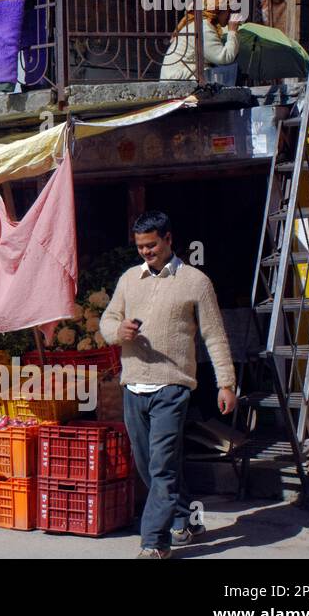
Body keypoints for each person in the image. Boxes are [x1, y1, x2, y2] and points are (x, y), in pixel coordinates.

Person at [100, 210, 237, 559]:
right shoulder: (130, 279)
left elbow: (214, 336)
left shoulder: (195, 281)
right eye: (141, 247)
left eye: (152, 245)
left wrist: (226, 383)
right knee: (150, 465)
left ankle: (154, 543)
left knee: (161, 466)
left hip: (172, 388)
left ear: (168, 239)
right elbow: (107, 320)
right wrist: (119, 332)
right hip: (133, 387)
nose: (146, 252)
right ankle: (188, 520)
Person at [159, 0, 241, 83]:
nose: (231, 15)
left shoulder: (202, 24)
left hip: (178, 76)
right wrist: (232, 32)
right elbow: (224, 57)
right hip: (176, 79)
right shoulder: (203, 28)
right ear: (218, 10)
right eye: (229, 11)